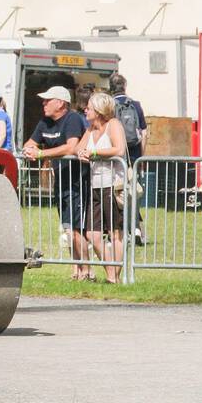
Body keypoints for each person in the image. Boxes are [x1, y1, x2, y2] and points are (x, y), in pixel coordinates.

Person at [23, 85, 90, 281]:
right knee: (68, 227)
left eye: (47, 100)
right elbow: (30, 143)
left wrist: (41, 153)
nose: (43, 103)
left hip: (77, 180)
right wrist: (29, 150)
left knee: (76, 229)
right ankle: (75, 270)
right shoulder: (45, 122)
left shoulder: (73, 119)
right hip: (60, 180)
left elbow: (71, 147)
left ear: (60, 103)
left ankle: (87, 271)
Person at [77, 93, 127, 283]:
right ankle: (111, 273)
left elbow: (119, 149)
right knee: (92, 234)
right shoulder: (90, 129)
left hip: (113, 185)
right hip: (95, 185)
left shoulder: (113, 124)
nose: (85, 110)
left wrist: (94, 152)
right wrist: (82, 153)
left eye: (89, 107)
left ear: (98, 111)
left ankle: (113, 277)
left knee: (116, 233)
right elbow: (79, 148)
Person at [109, 72, 148, 245]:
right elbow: (144, 133)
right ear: (125, 86)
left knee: (118, 194)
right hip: (134, 156)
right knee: (134, 192)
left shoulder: (109, 105)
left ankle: (121, 232)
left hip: (116, 156)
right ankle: (137, 229)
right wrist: (142, 155)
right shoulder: (136, 105)